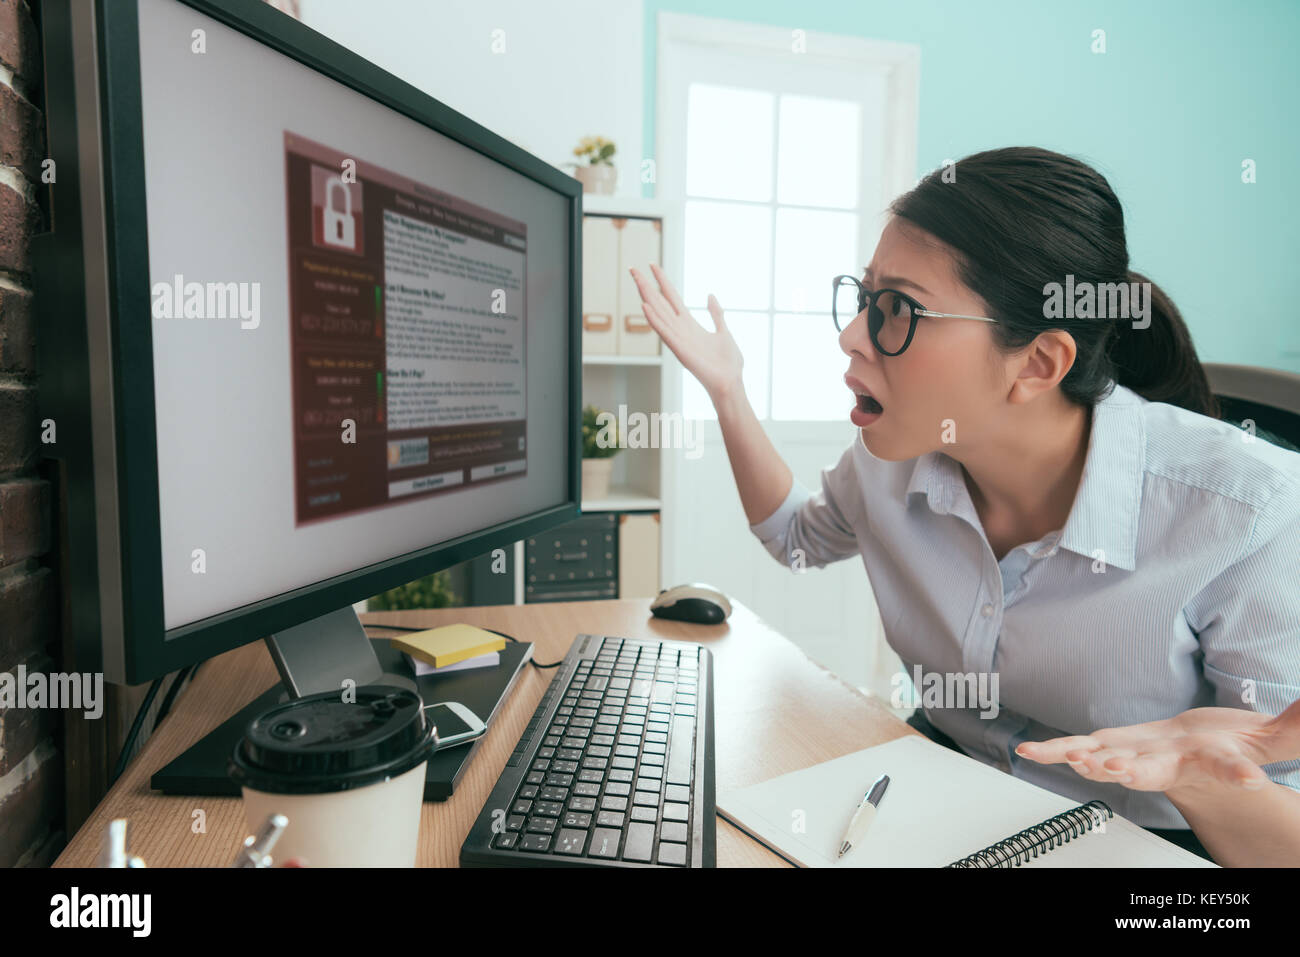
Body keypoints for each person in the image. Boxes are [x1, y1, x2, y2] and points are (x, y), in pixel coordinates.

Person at [629, 146, 1300, 867]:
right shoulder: (886, 466)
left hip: (1148, 841)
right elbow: (795, 535)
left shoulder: (1250, 513)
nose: (852, 335)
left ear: (1039, 363)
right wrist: (727, 391)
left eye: (897, 311)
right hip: (935, 789)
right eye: (863, 298)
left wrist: (1203, 777)